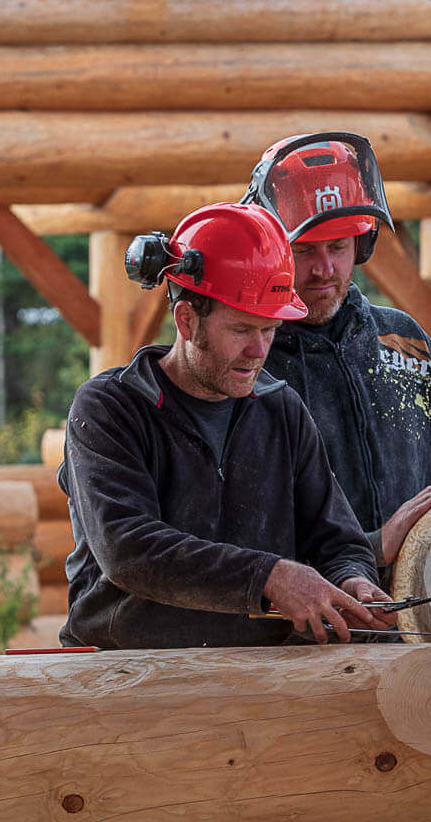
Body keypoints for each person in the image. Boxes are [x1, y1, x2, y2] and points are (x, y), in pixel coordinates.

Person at [59, 202, 396, 649]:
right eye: (241, 330)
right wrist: (270, 577)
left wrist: (353, 580)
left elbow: (337, 538)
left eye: (269, 330)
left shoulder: (282, 410)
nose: (259, 350)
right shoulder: (109, 407)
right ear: (186, 320)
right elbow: (129, 550)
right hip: (121, 674)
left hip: (257, 674)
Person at [244, 133, 431, 574]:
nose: (324, 269)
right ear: (273, 250)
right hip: (308, 615)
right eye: (304, 250)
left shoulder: (403, 339)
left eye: (337, 247)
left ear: (362, 243)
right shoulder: (251, 359)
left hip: (424, 599)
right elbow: (241, 526)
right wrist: (370, 549)